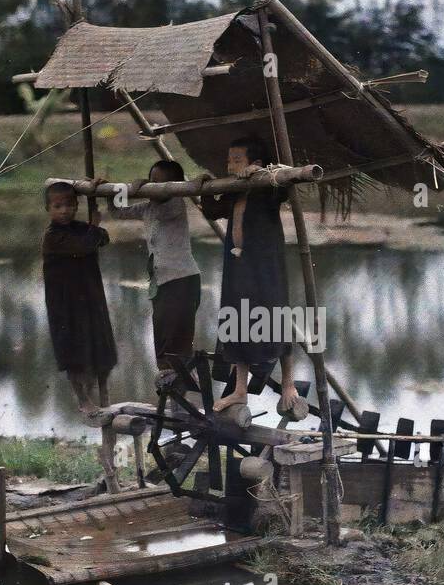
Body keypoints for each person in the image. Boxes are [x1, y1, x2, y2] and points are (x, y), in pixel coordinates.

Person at [200, 135, 301, 415]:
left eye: (237, 161)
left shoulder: (267, 185)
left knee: (275, 315)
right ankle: (240, 390)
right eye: (228, 160)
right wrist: (205, 188)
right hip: (238, 264)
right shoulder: (234, 190)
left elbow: (285, 186)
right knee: (237, 316)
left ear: (254, 163)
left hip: (265, 264)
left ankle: (289, 383)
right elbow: (213, 210)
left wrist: (261, 173)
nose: (231, 166)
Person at [109, 159, 201, 375]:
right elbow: (118, 212)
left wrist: (136, 190)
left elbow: (161, 208)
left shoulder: (175, 204)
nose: (153, 186)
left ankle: (181, 387)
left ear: (175, 185)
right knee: (161, 334)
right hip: (161, 282)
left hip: (182, 280)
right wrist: (114, 191)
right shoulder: (148, 207)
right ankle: (171, 389)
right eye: (151, 181)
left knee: (177, 338)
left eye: (159, 183)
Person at [41, 178, 116, 417]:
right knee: (73, 352)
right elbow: (83, 247)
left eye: (69, 205)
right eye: (57, 206)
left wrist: (94, 226)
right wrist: (94, 226)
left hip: (90, 298)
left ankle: (95, 388)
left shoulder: (80, 228)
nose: (64, 211)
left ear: (76, 205)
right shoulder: (52, 236)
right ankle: (83, 399)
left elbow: (103, 239)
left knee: (101, 349)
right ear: (48, 209)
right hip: (66, 304)